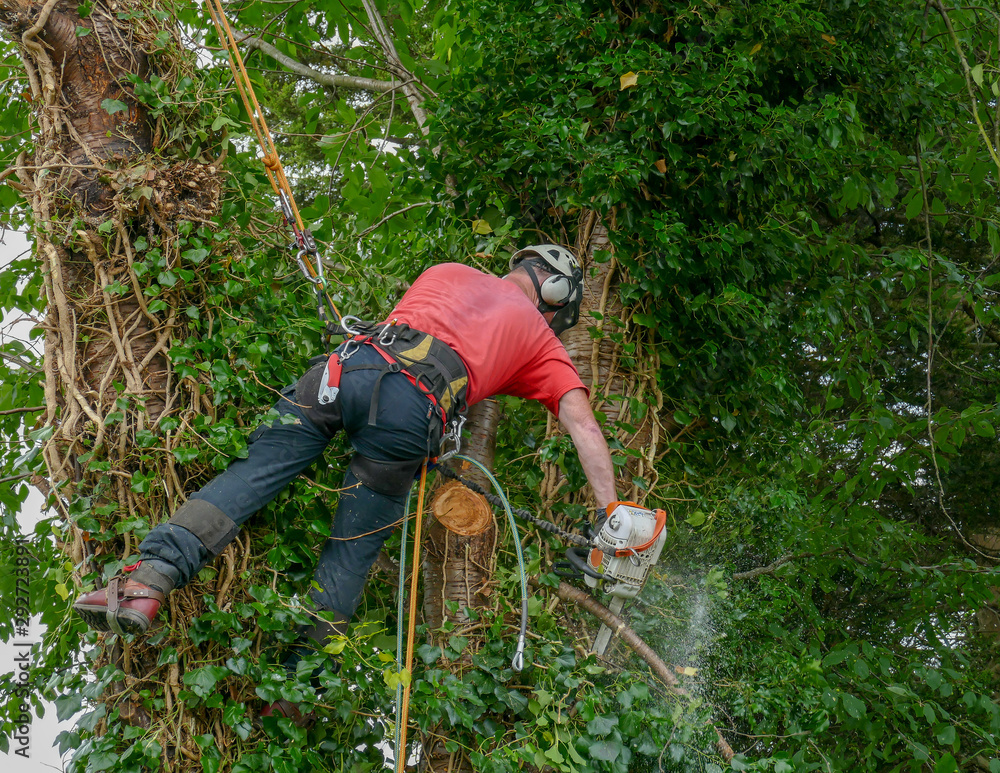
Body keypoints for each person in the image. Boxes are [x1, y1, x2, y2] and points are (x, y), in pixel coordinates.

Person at [73, 244, 619, 714]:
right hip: (410, 412)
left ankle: (148, 579)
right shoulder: (541, 340)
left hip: (344, 368)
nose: (551, 327)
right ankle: (288, 693)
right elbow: (583, 424)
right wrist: (609, 515)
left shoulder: (446, 271)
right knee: (349, 555)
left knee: (253, 474)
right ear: (554, 292)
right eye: (556, 316)